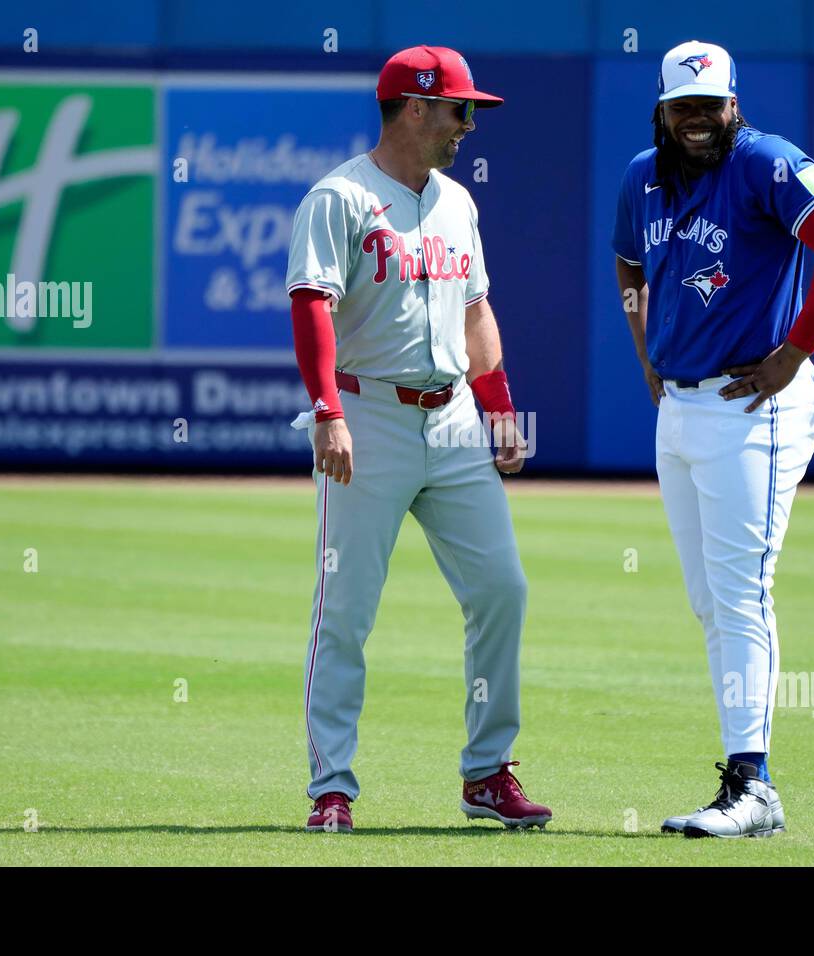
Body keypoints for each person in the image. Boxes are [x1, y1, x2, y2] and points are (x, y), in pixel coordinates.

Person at [285, 45, 551, 833]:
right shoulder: (339, 198)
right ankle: (331, 786)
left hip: (454, 419)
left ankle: (487, 772)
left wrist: (499, 409)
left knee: (502, 588)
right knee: (347, 612)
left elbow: (476, 313)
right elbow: (311, 306)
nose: (469, 124)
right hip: (368, 417)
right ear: (413, 109)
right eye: (458, 110)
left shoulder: (458, 203)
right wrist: (327, 410)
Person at [612, 41, 814, 837]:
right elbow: (629, 265)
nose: (698, 120)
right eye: (683, 107)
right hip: (682, 409)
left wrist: (793, 353)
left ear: (735, 103)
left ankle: (753, 788)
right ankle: (745, 783)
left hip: (752, 404)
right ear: (662, 110)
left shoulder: (767, 162)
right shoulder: (641, 177)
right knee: (710, 603)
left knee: (739, 595)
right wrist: (646, 355)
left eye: (711, 104)